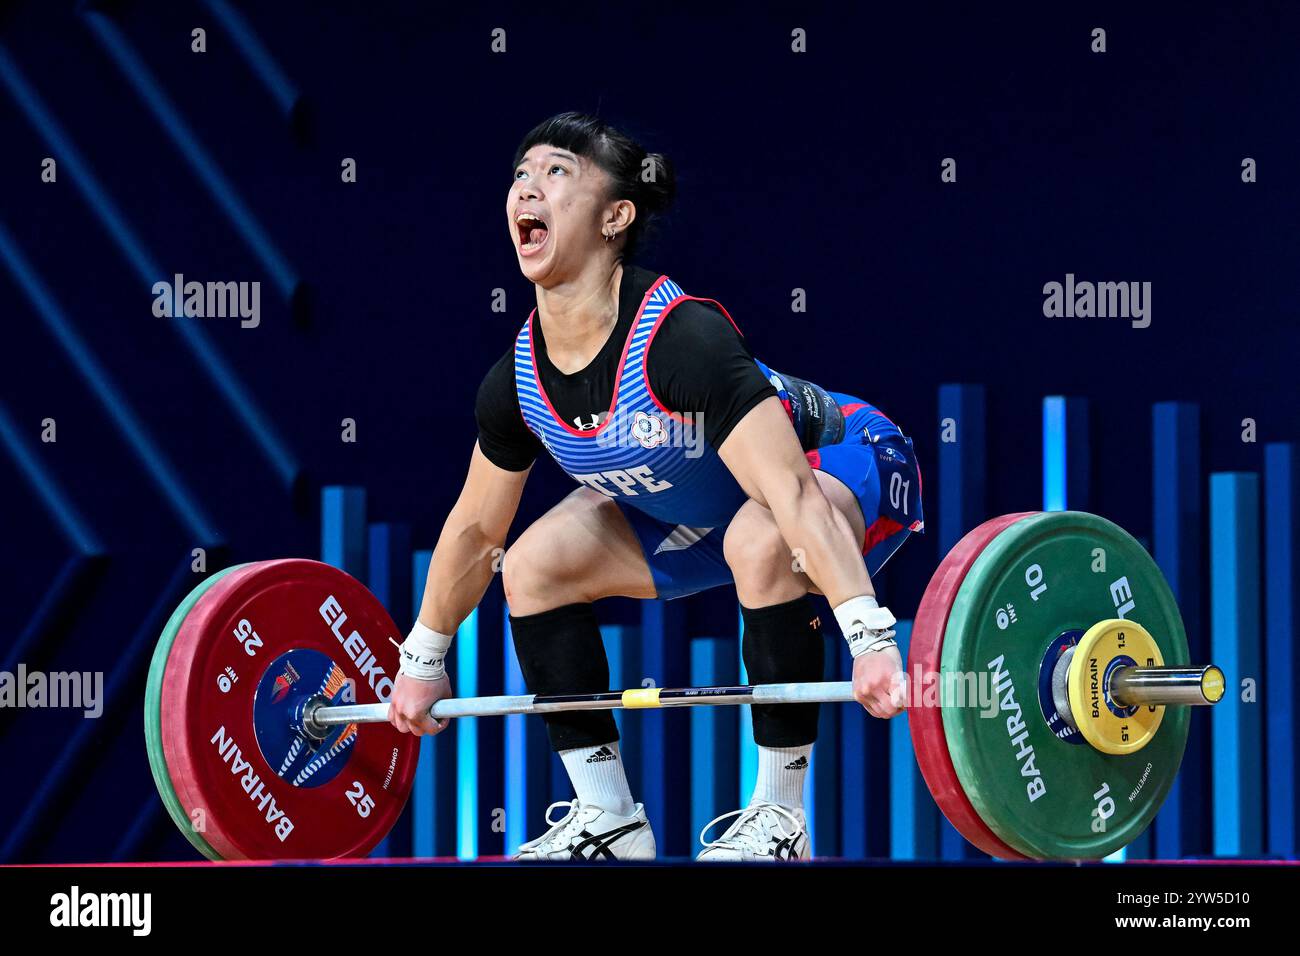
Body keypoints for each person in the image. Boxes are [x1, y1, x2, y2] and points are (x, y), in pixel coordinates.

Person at [388, 112, 924, 862]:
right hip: (704, 512)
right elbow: (478, 532)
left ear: (615, 217)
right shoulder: (515, 383)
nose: (526, 189)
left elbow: (794, 497)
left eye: (555, 173)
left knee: (762, 534)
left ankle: (782, 816)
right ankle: (607, 816)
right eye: (520, 175)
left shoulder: (681, 339)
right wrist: (422, 659)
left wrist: (870, 639)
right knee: (534, 565)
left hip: (851, 465)